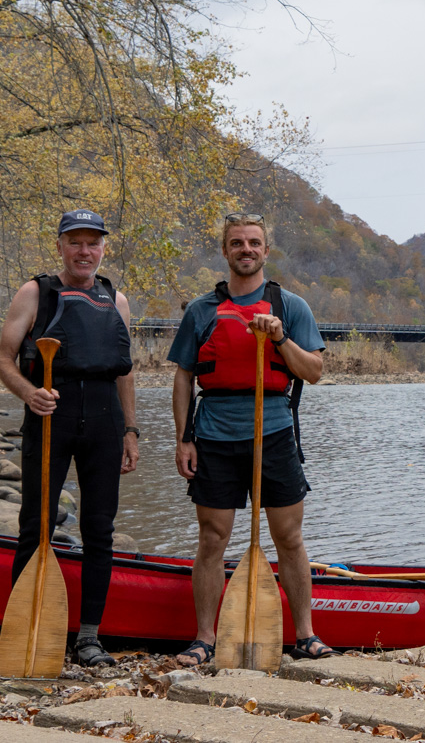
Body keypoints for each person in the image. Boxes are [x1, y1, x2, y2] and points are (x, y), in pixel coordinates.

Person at [167, 212, 330, 666]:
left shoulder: (290, 307)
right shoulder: (201, 311)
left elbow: (314, 372)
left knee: (289, 537)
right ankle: (204, 639)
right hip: (215, 435)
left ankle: (305, 635)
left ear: (265, 249)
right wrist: (184, 439)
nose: (246, 250)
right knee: (212, 537)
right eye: (237, 243)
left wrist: (279, 340)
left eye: (254, 242)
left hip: (274, 433)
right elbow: (183, 378)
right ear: (225, 251)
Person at [0, 208, 140, 668]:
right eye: (74, 241)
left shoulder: (115, 299)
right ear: (60, 245)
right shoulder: (36, 292)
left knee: (99, 530)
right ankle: (26, 626)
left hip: (103, 421)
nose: (84, 250)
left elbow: (125, 371)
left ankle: (89, 637)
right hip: (50, 416)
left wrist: (131, 429)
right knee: (35, 525)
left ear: (102, 247)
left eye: (92, 242)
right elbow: (3, 358)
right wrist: (29, 393)